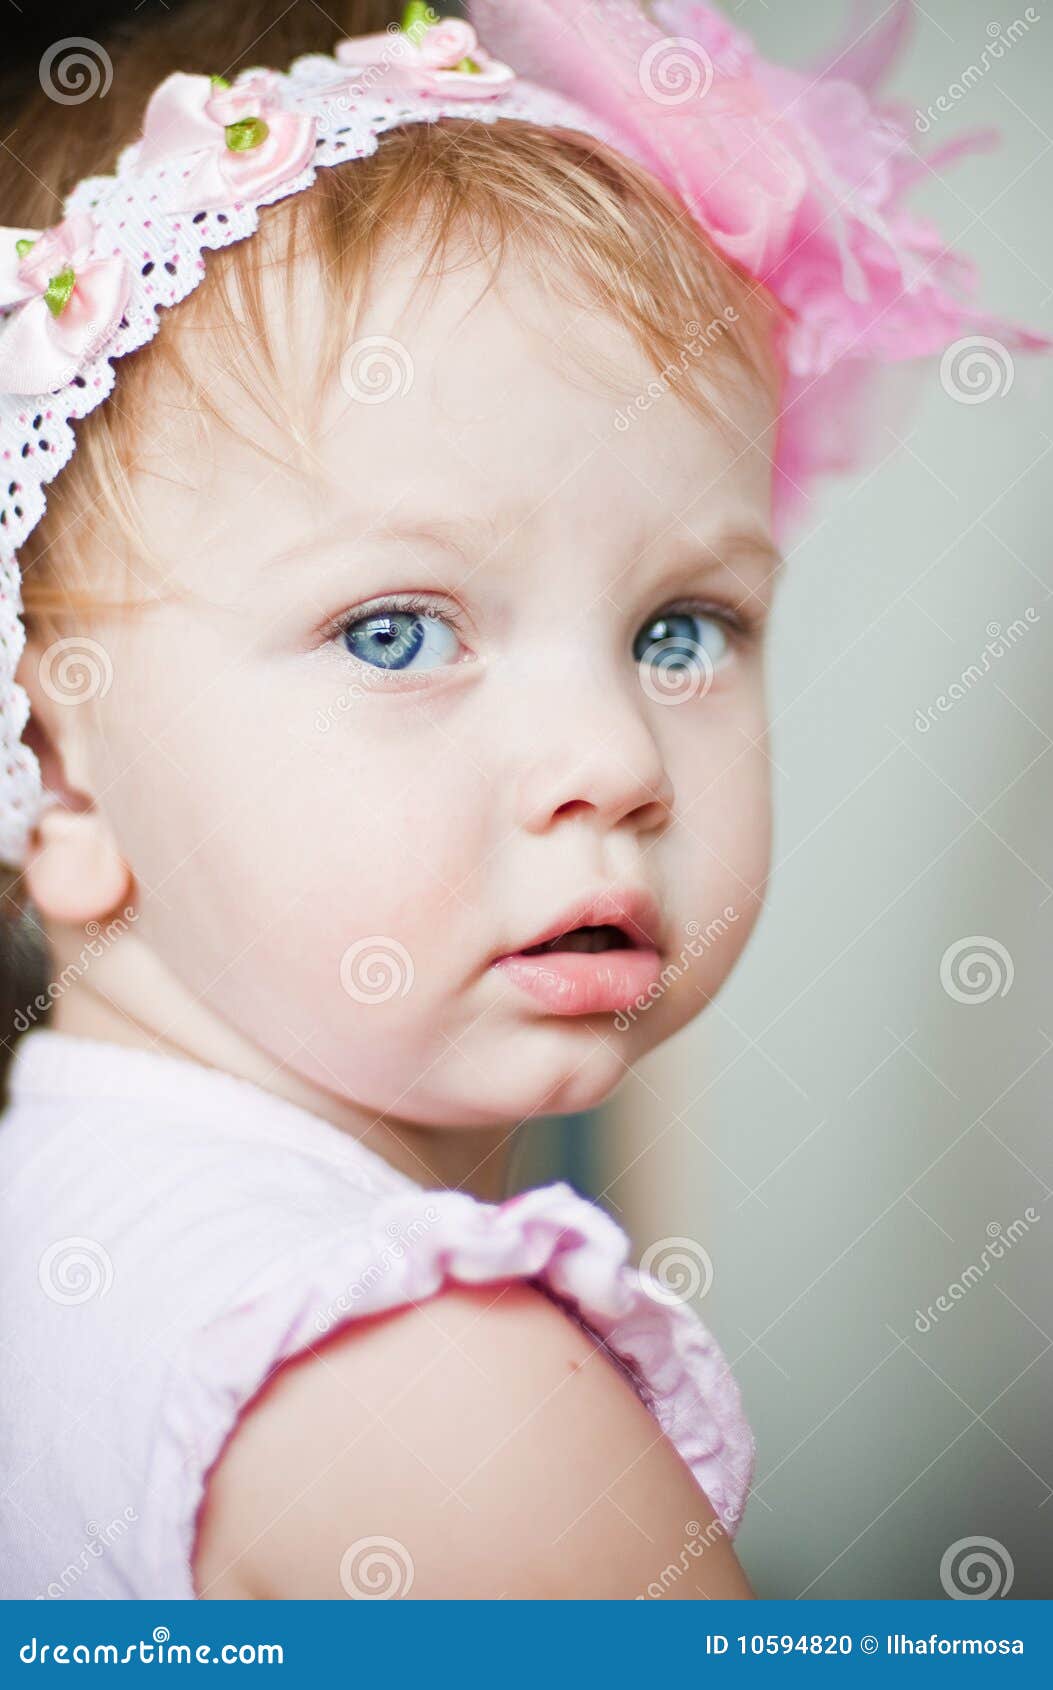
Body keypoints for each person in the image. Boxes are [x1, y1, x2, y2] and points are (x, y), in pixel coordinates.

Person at [0, 0, 1042, 1600]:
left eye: (678, 630)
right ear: (55, 769)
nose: (613, 762)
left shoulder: (72, 1234)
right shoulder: (424, 1383)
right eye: (398, 631)